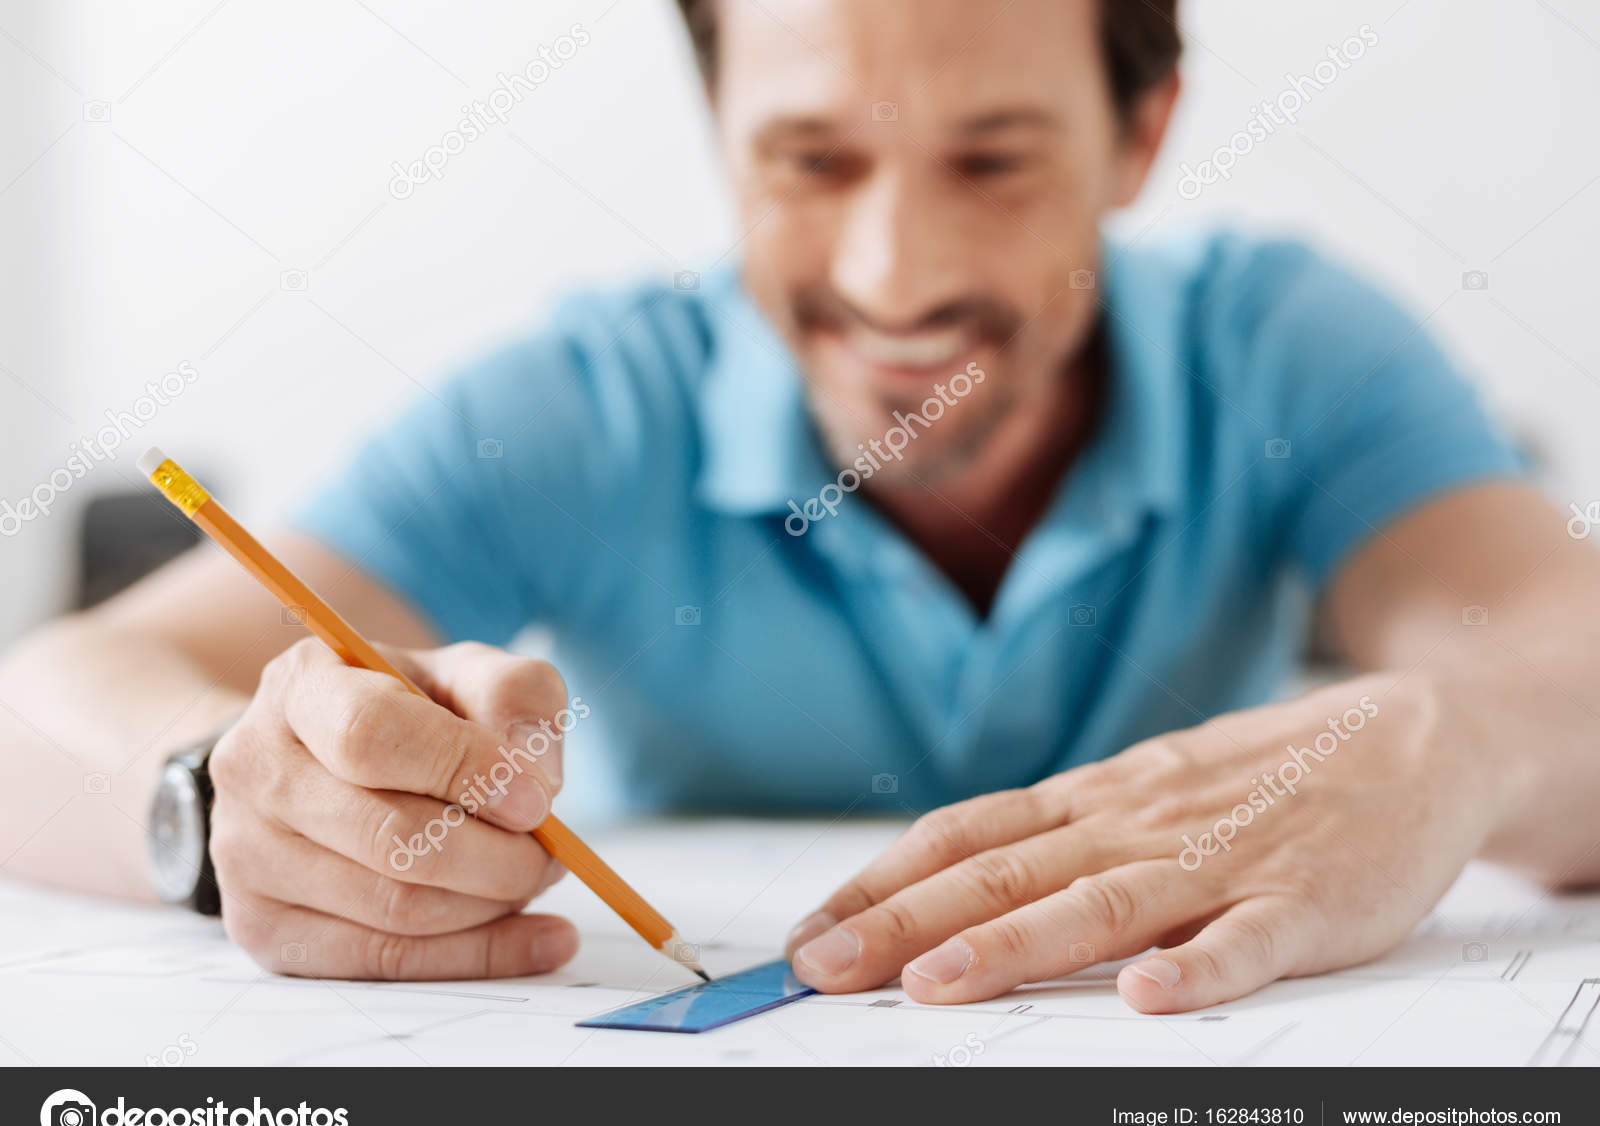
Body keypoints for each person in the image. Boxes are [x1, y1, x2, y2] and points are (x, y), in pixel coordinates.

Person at [4, 0, 1597, 1016]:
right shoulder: (585, 400)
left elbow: (1559, 643)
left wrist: (1456, 743)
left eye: (991, 161)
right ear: (719, 135)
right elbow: (36, 712)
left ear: (1143, 133)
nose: (895, 275)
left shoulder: (1288, 351)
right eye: (812, 161)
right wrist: (215, 801)